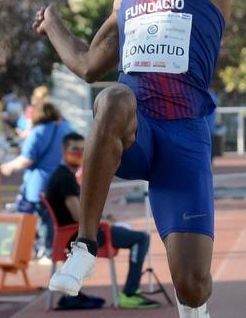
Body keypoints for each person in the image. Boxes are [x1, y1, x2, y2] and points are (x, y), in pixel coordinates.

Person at [33, 0, 236, 318]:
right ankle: (82, 246)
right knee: (114, 95)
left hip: (185, 141)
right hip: (137, 132)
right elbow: (86, 64)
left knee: (191, 280)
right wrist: (52, 24)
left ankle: (194, 306)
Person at [45, 132, 160, 309]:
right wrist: (103, 223)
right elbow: (78, 215)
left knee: (127, 231)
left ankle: (128, 291)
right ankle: (130, 292)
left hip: (75, 233)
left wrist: (105, 218)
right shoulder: (65, 178)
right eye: (74, 149)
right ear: (64, 150)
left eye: (83, 149)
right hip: (83, 236)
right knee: (141, 238)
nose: (79, 153)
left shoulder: (61, 174)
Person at [0, 101, 71, 255]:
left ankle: (47, 250)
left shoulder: (38, 132)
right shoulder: (65, 129)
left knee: (43, 218)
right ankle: (57, 248)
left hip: (40, 183)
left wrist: (9, 166)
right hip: (62, 180)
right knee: (58, 217)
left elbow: (27, 158)